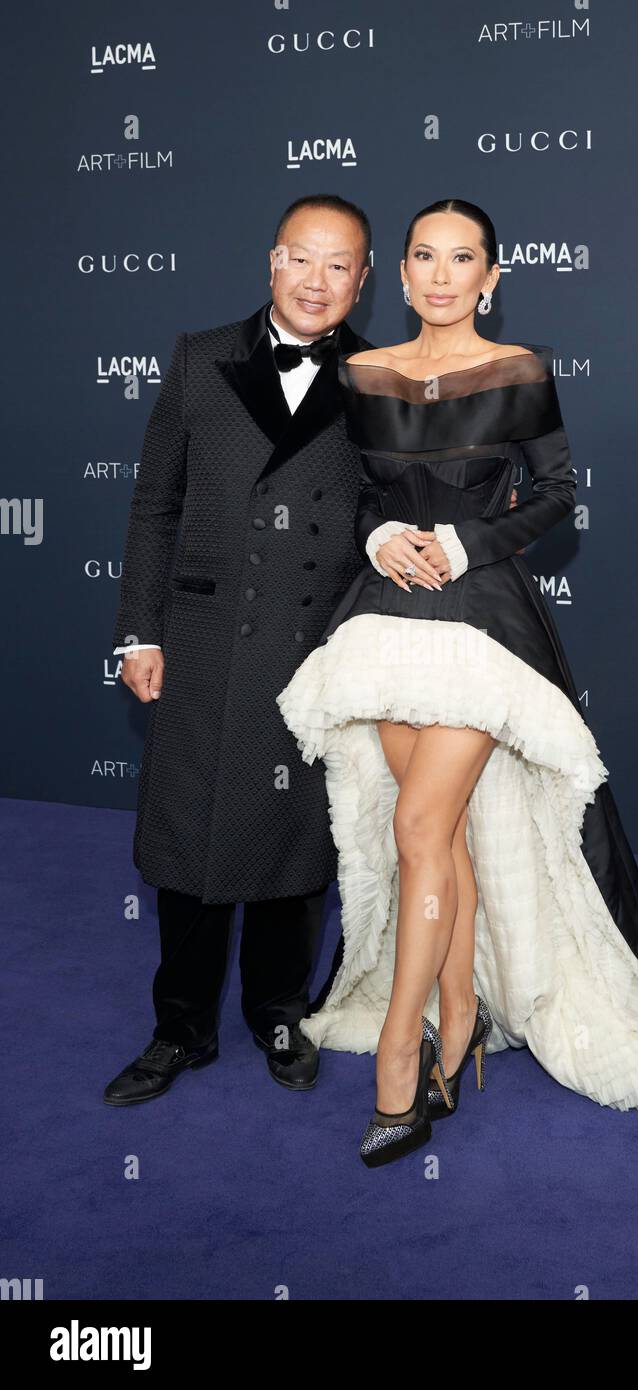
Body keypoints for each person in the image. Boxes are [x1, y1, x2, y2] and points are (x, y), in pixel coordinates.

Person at [276, 198, 638, 1167]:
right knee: (437, 834)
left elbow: (558, 495)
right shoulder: (362, 374)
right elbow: (348, 493)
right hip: (381, 624)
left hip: (481, 625)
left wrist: (457, 539)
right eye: (423, 257)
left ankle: (401, 1060)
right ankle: (457, 1008)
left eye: (462, 259)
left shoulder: (520, 373)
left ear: (490, 276)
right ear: (399, 275)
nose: (441, 275)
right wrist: (379, 532)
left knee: (415, 829)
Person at [104, 195, 378, 1104]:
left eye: (338, 266)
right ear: (271, 262)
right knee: (187, 837)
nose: (316, 281)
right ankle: (179, 1029)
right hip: (203, 642)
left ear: (363, 279)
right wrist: (139, 630)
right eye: (302, 259)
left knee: (293, 848)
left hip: (312, 649)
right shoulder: (200, 357)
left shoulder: (381, 381)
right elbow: (155, 508)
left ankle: (277, 1010)